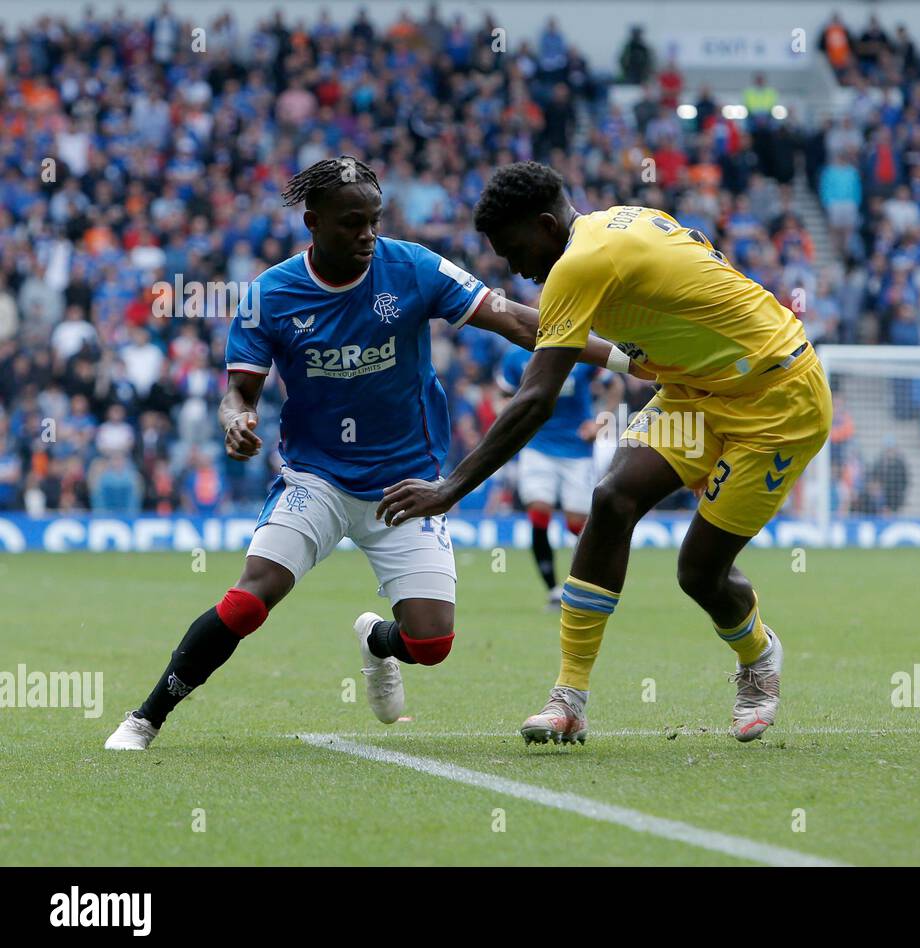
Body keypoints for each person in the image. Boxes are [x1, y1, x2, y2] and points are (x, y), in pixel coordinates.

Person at [105, 157, 633, 750]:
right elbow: (238, 393)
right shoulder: (270, 294)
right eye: (351, 222)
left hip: (408, 481)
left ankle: (377, 640)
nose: (367, 234)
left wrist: (627, 359)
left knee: (431, 644)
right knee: (252, 597)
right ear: (312, 221)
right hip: (317, 478)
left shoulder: (412, 267)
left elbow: (512, 319)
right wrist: (237, 421)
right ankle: (145, 718)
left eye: (374, 220)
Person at [374, 162, 832, 744]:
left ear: (544, 225)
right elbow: (625, 340)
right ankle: (569, 697)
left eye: (514, 250)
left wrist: (451, 488)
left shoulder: (578, 265)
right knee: (612, 498)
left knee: (698, 573)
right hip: (697, 390)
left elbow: (536, 397)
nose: (515, 268)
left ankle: (758, 656)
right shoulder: (620, 224)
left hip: (778, 401)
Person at [495, 343, 624, 608]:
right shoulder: (516, 356)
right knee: (539, 510)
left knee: (576, 523)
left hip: (577, 448)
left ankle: (588, 582)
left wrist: (600, 422)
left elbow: (615, 385)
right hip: (537, 446)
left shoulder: (581, 349)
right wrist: (514, 418)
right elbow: (504, 395)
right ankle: (553, 589)